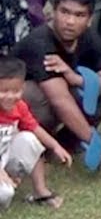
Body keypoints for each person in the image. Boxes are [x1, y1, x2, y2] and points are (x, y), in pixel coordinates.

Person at [14, 0, 101, 175]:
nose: (70, 21)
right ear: (53, 12)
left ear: (89, 20)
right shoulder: (39, 43)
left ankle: (65, 145)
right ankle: (33, 150)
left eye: (79, 15)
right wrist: (96, 145)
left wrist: (77, 79)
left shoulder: (88, 37)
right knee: (41, 95)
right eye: (64, 12)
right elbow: (60, 101)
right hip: (14, 111)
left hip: (54, 99)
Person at [0, 57, 72, 210]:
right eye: (4, 91)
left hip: (4, 156)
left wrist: (56, 146)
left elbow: (35, 128)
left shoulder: (19, 106)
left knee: (30, 139)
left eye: (16, 91)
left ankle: (40, 192)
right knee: (5, 194)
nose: (11, 96)